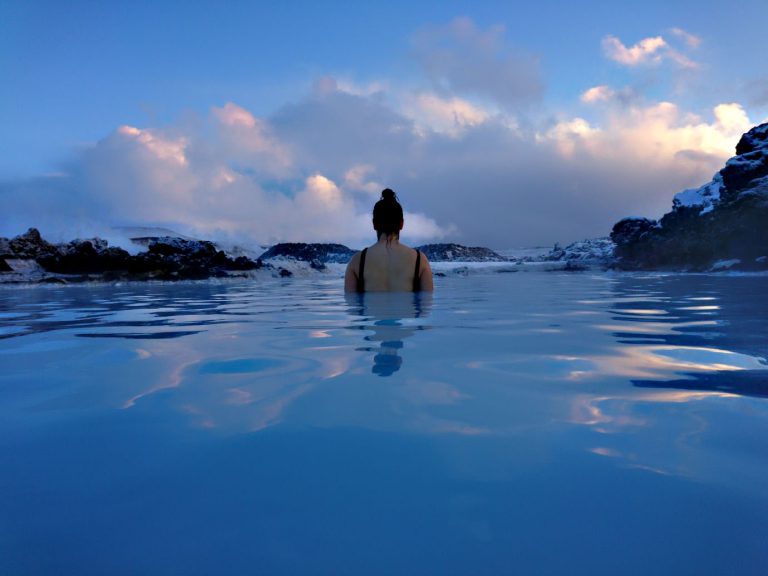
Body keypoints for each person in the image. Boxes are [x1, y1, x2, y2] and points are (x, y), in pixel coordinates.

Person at [345, 189, 434, 292]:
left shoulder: (356, 261)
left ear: (374, 224)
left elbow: (351, 303)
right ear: (401, 224)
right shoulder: (420, 260)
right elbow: (426, 303)